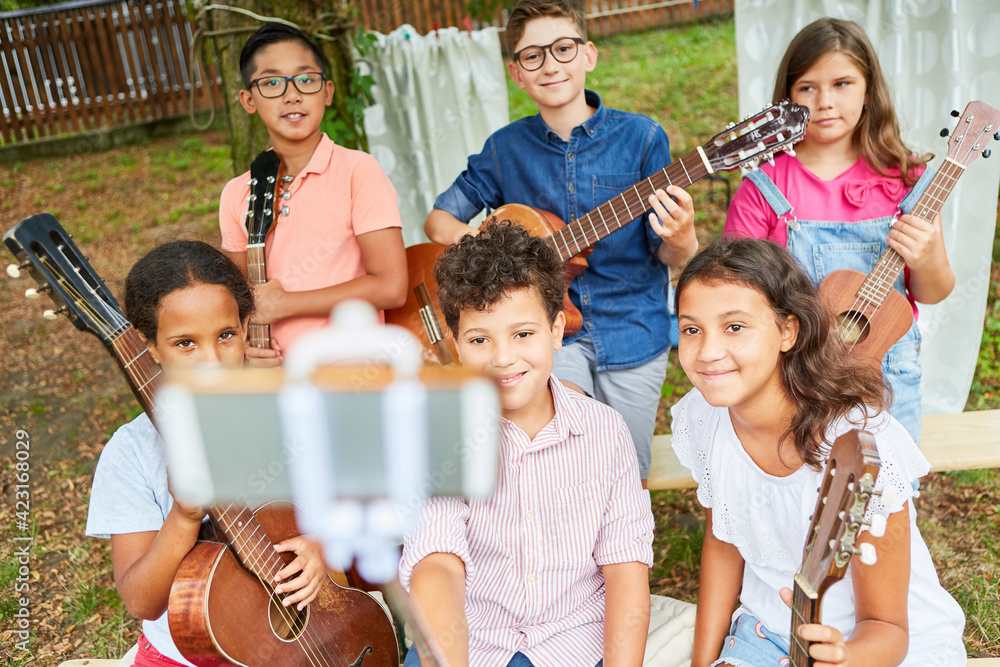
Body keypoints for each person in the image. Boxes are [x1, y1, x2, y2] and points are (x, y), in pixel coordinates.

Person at [423, 0, 698, 483]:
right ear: (517, 73)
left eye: (563, 48)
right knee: (558, 467)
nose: (550, 64)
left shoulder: (641, 138)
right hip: (549, 335)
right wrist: (491, 251)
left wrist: (683, 238)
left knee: (623, 473)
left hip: (633, 328)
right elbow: (439, 220)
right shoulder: (505, 149)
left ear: (588, 55)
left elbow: (669, 254)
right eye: (533, 56)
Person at [670, 237, 965, 667]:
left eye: (735, 326)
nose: (708, 352)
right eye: (691, 329)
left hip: (875, 648)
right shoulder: (705, 418)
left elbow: (889, 629)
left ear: (788, 330)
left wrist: (842, 657)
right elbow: (724, 540)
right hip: (769, 629)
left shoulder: (860, 444)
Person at [399, 222, 655, 667]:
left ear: (557, 329)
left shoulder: (605, 433)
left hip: (575, 642)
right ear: (457, 345)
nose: (503, 358)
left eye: (523, 334)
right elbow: (436, 564)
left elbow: (626, 570)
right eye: (480, 339)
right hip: (471, 643)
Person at [85, 241, 327, 666]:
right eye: (185, 344)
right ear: (149, 347)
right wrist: (183, 517)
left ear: (246, 325)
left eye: (226, 335)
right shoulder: (131, 453)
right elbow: (142, 601)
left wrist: (322, 548)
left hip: (307, 641)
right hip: (187, 656)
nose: (212, 360)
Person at [724, 17, 954, 444]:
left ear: (870, 90)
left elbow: (933, 291)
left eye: (843, 83)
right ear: (788, 98)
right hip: (796, 376)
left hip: (888, 374)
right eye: (807, 87)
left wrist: (926, 258)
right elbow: (736, 297)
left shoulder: (907, 180)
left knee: (888, 494)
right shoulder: (765, 187)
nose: (825, 101)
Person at [219, 23, 407, 365]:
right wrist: (246, 350)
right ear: (248, 99)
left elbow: (391, 286)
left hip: (353, 375)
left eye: (305, 79)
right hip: (275, 384)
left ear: (327, 91)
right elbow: (237, 305)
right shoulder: (236, 194)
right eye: (272, 83)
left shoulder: (357, 171)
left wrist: (287, 303)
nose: (292, 94)